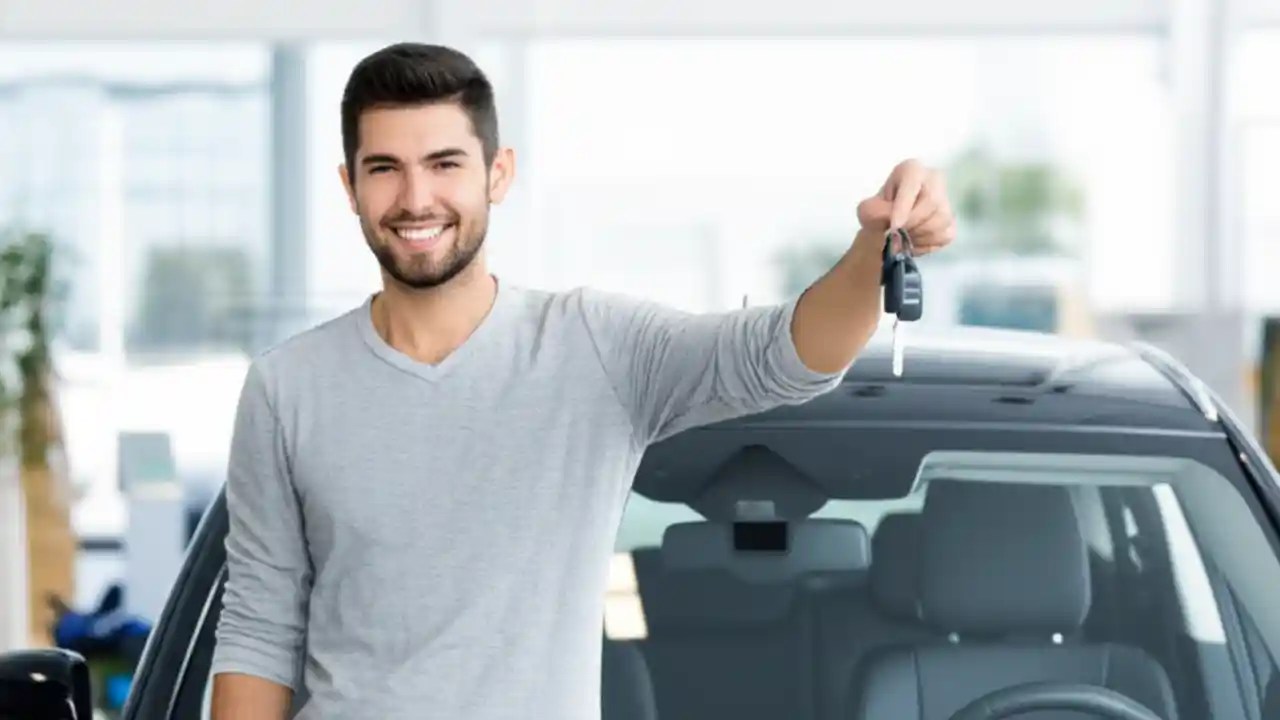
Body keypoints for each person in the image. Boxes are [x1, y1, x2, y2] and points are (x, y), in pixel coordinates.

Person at [209, 41, 956, 720]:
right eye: (384, 169)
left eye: (444, 164)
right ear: (350, 186)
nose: (415, 199)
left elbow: (783, 359)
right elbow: (258, 628)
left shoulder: (594, 349)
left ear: (498, 173)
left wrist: (874, 248)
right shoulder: (286, 388)